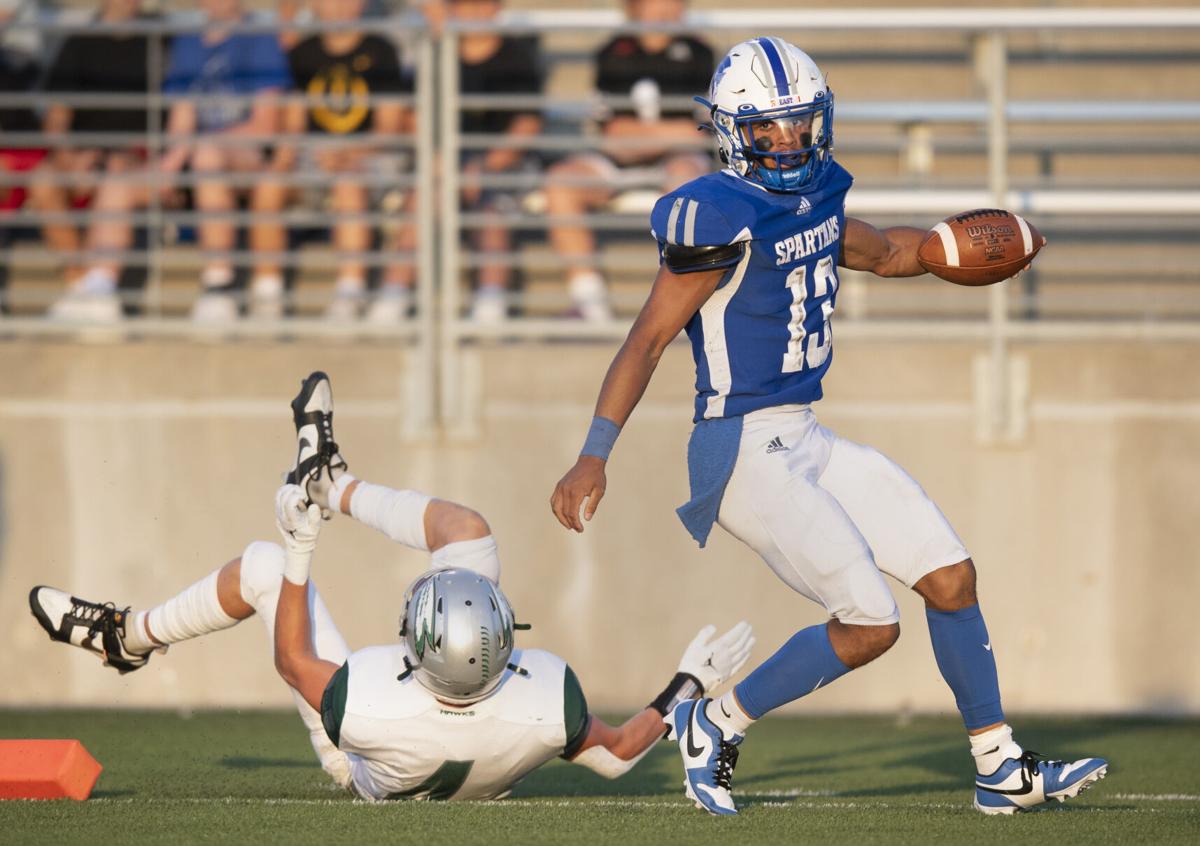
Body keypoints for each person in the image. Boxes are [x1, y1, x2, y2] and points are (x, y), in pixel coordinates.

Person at [549, 38, 1108, 816]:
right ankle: (715, 721)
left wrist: (965, 249)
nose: (788, 141)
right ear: (732, 132)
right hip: (738, 447)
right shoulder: (719, 216)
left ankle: (998, 766)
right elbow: (644, 339)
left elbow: (887, 255)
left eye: (799, 123)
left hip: (802, 435)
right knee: (872, 623)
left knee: (950, 576)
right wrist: (592, 454)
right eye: (769, 128)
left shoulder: (817, 197)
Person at [29, 371, 754, 801]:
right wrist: (685, 685)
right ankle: (332, 481)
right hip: (462, 734)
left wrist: (298, 544)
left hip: (364, 757)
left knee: (258, 567)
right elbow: (617, 753)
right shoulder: (546, 698)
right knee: (467, 530)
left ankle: (126, 638)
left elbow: (290, 659)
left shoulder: (368, 695)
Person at [376, 0, 545, 324]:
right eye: (465, 6)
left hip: (502, 163)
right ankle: (393, 294)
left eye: (482, 6)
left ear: (497, 9)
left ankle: (491, 299)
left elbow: (526, 127)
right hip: (444, 162)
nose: (475, 13)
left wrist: (485, 166)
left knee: (491, 205)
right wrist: (444, 161)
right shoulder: (435, 54)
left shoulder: (516, 57)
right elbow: (412, 119)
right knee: (424, 196)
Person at [544, 0, 712, 321]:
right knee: (560, 184)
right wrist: (671, 132)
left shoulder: (700, 54)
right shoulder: (613, 52)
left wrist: (644, 135)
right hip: (621, 160)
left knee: (687, 187)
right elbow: (613, 134)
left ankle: (679, 303)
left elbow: (701, 132)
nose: (664, 10)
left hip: (679, 159)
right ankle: (590, 302)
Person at [279, 0, 411, 321]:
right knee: (269, 186)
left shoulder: (382, 49)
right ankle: (261, 292)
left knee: (348, 183)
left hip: (371, 157)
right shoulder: (304, 51)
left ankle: (350, 292)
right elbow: (293, 126)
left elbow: (390, 128)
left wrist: (350, 153)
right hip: (316, 156)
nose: (337, 7)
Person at [26, 0, 153, 322]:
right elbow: (56, 118)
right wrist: (68, 156)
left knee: (116, 182)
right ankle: (81, 285)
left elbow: (170, 118)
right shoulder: (79, 41)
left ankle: (97, 292)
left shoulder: (159, 39)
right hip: (84, 157)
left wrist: (128, 156)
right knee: (43, 180)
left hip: (136, 159)